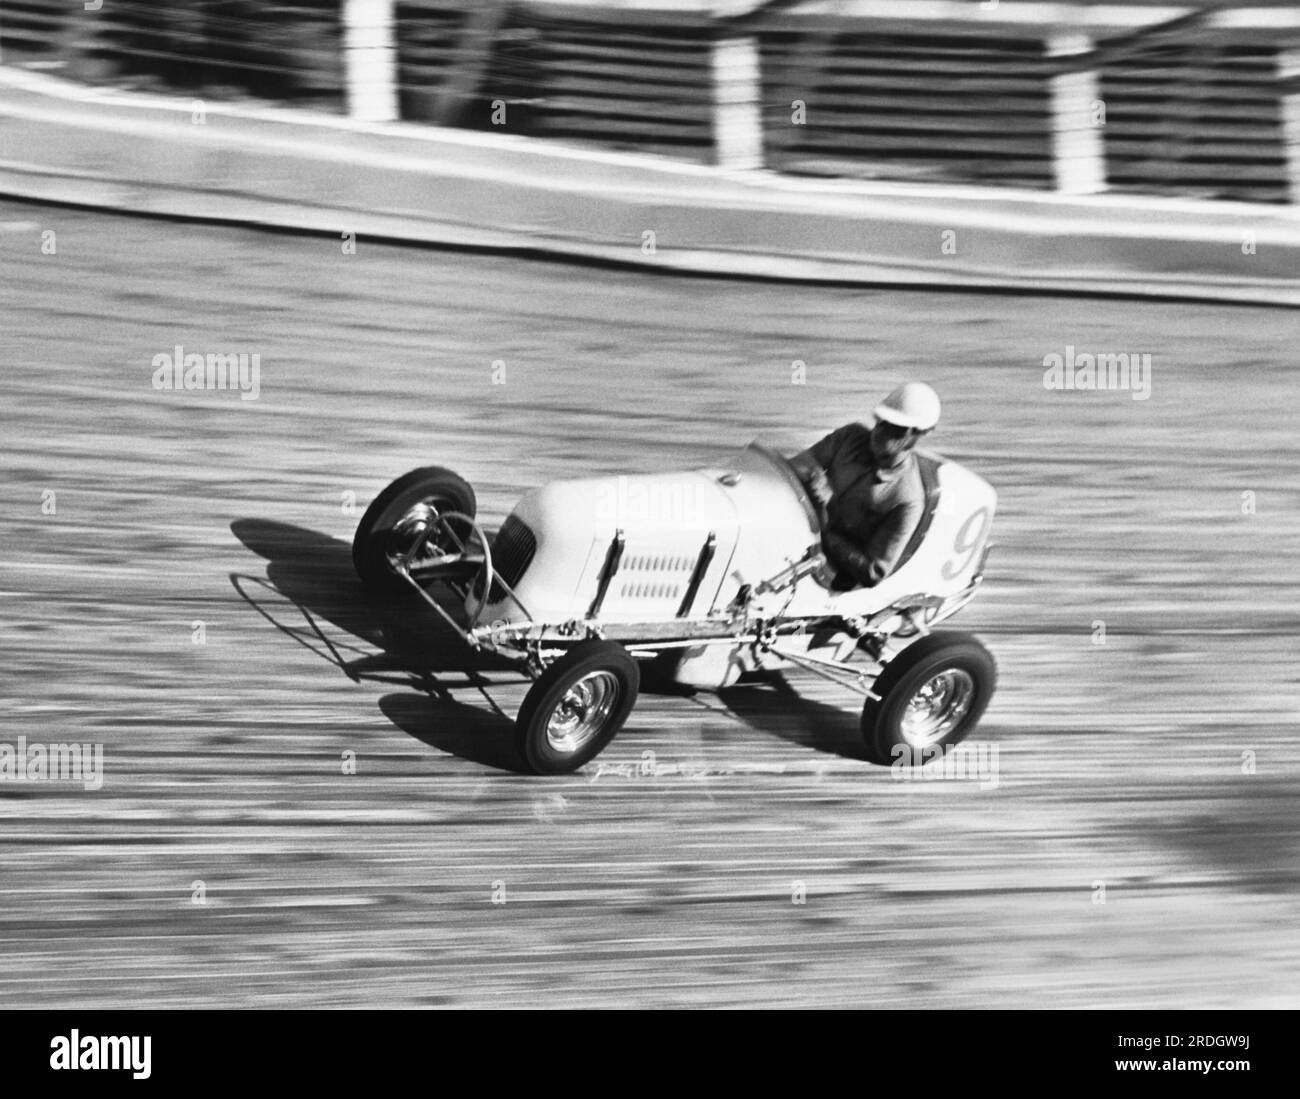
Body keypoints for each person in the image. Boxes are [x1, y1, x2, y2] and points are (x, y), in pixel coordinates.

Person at [790, 382, 941, 590]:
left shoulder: (908, 499)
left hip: (825, 574)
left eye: (896, 428)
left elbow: (874, 571)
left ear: (917, 436)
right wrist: (815, 475)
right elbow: (797, 464)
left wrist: (823, 529)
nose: (881, 432)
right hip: (794, 534)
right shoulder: (849, 437)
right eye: (881, 421)